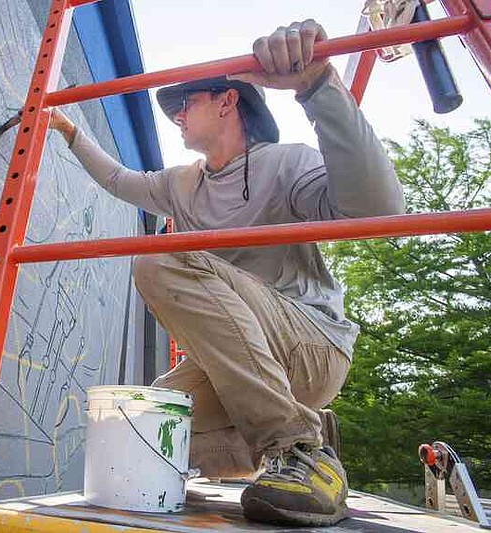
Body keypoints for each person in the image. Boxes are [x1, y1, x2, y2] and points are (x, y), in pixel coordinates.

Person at [48, 19, 404, 527]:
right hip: (243, 364)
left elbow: (380, 212)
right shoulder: (181, 183)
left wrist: (317, 84)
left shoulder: (285, 164)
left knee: (163, 257)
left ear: (227, 101)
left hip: (310, 345)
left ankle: (301, 449)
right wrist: (68, 130)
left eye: (184, 104)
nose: (175, 116)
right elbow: (118, 179)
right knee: (141, 428)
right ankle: (294, 441)